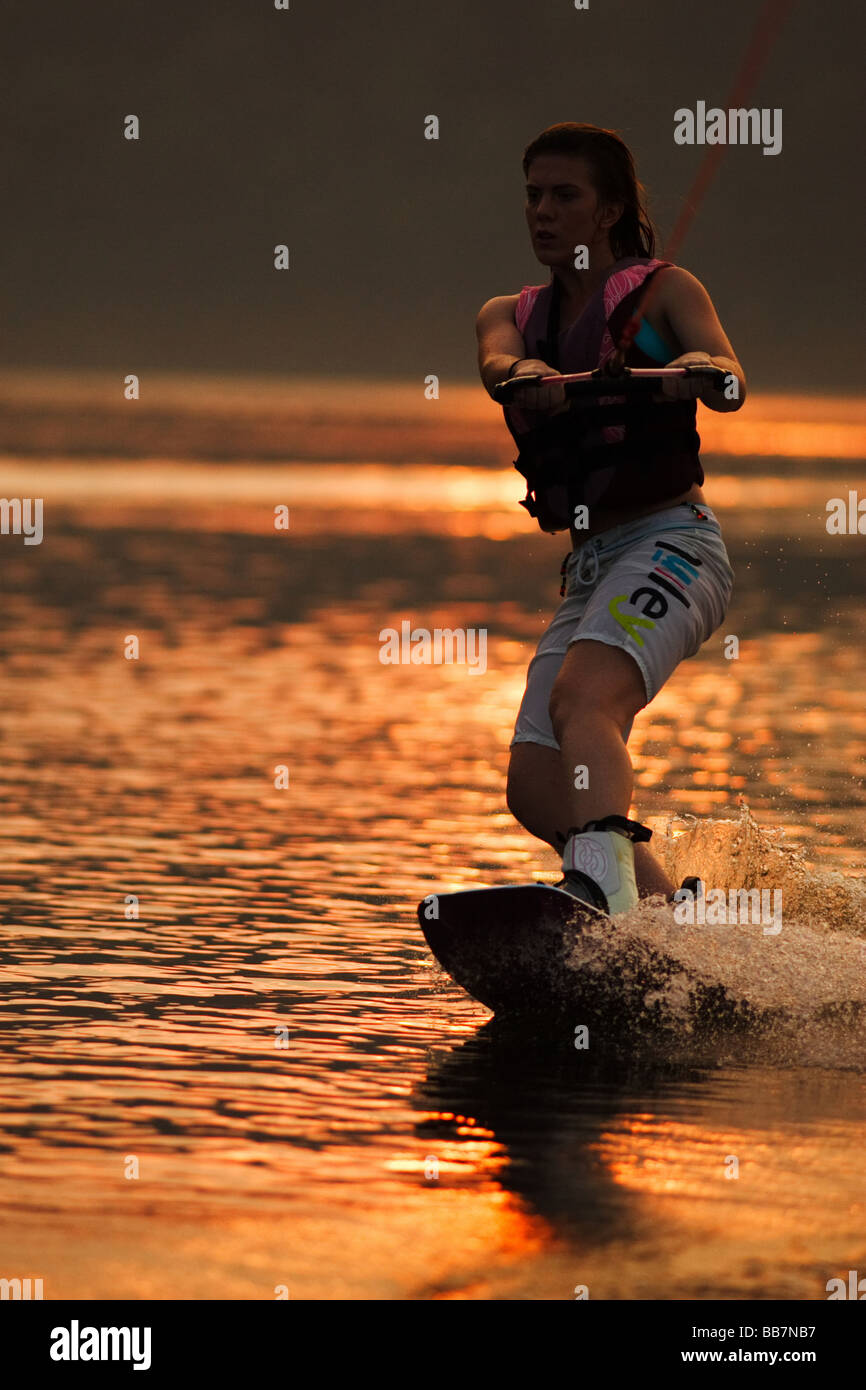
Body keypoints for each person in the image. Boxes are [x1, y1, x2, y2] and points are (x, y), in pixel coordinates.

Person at [475, 123, 744, 915]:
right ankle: (670, 924)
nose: (543, 212)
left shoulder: (666, 293)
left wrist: (694, 373)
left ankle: (601, 893)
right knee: (534, 781)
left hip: (674, 547)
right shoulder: (510, 315)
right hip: (591, 569)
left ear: (609, 212)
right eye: (533, 196)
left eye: (566, 196)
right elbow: (498, 362)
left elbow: (728, 379)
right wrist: (527, 374)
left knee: (585, 701)